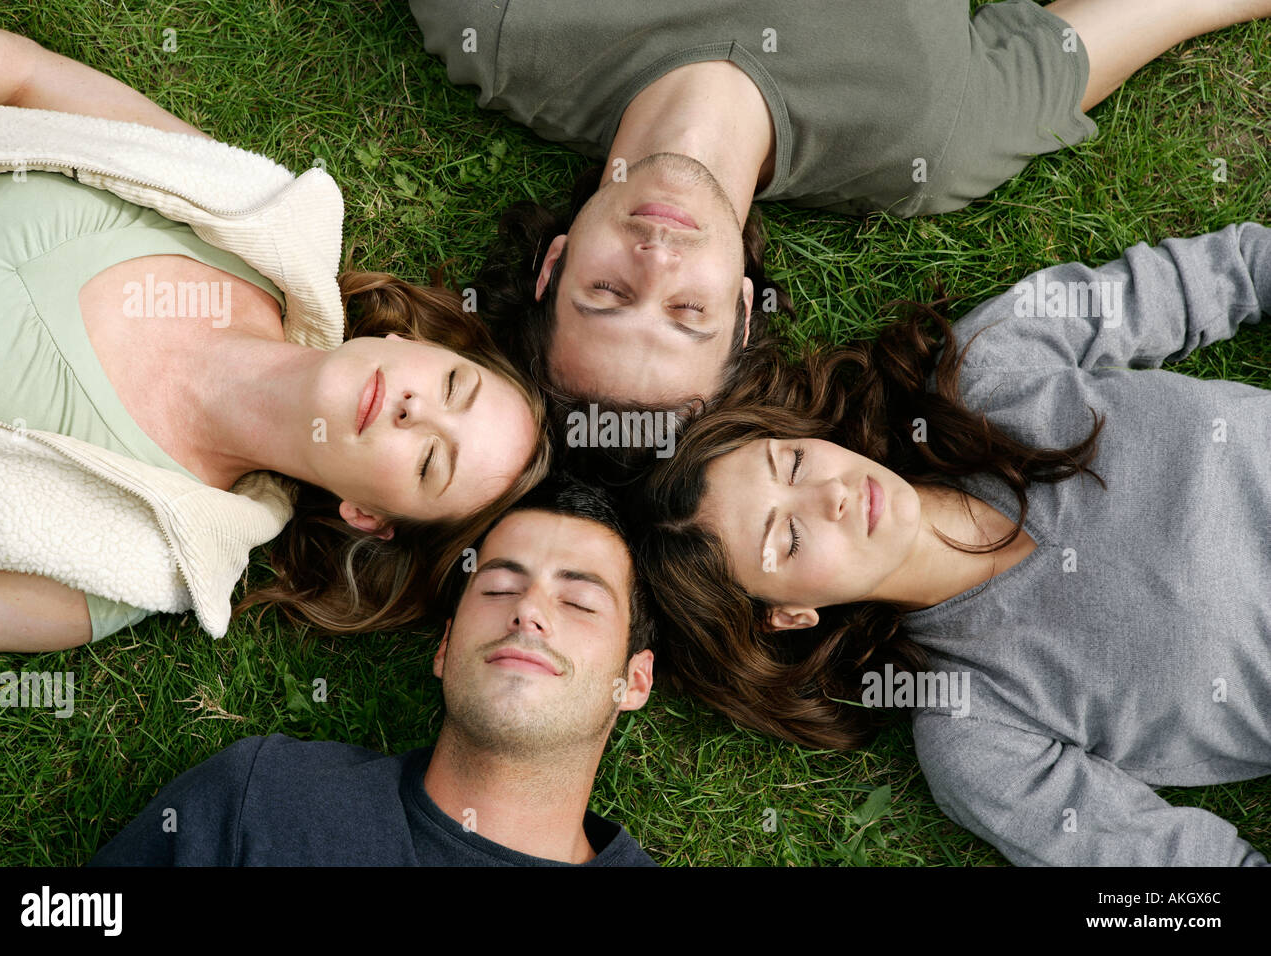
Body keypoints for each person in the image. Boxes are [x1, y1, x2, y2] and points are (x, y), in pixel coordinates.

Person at [634, 223, 1271, 865]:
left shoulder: (984, 372)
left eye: (793, 464)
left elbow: (1218, 274)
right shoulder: (975, 734)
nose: (830, 496)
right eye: (789, 536)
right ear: (790, 615)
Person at [0, 24, 551, 653]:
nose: (416, 412)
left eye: (430, 460)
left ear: (367, 515)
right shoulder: (241, 212)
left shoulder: (135, 560)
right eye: (451, 385)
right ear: (414, 343)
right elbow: (25, 75)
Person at [413, 0, 1271, 407]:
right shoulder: (926, 147)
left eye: (605, 294)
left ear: (555, 262)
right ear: (744, 307)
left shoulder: (498, 27)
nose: (656, 259)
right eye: (687, 311)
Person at [89, 478, 658, 866]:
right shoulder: (266, 796)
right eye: (500, 586)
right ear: (445, 650)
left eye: (579, 602)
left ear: (634, 681)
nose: (528, 611)